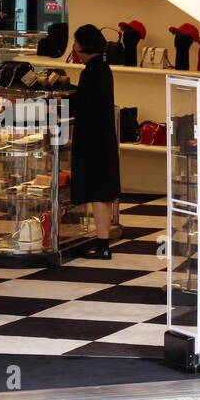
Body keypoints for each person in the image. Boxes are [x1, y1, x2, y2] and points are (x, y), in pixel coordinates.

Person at [67, 24, 121, 259]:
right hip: (104, 139)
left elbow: (82, 105)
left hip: (92, 141)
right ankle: (103, 241)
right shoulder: (103, 69)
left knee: (97, 192)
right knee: (104, 192)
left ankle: (102, 245)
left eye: (77, 43)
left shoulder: (90, 72)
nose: (75, 48)